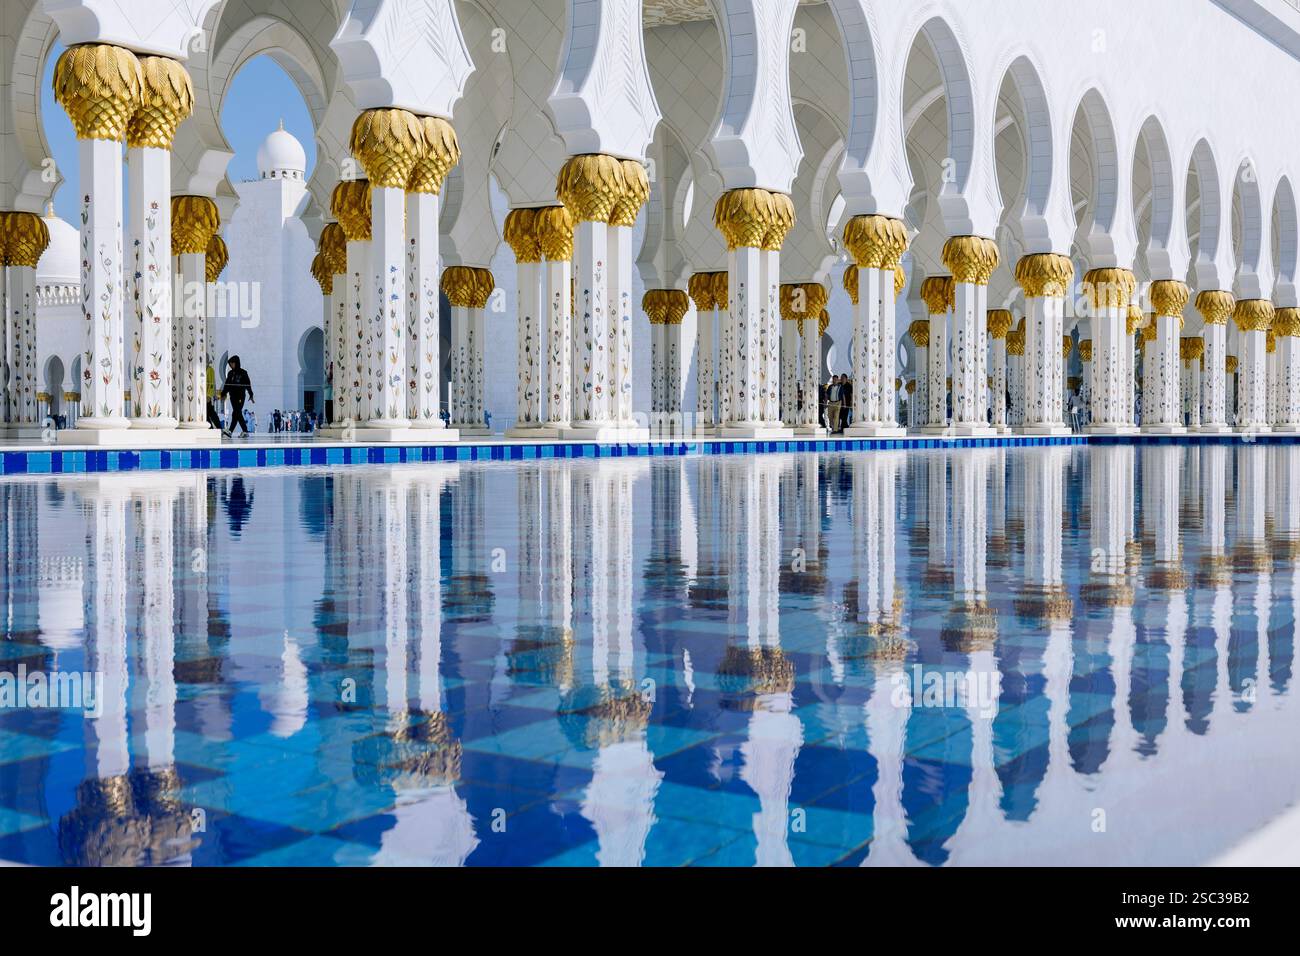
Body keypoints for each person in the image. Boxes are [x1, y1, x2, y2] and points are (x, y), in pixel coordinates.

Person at [220, 355, 254, 437]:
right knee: (236, 413)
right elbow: (227, 385)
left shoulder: (243, 373)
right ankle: (232, 431)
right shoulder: (230, 373)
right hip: (232, 397)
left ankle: (242, 431)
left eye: (232, 363)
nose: (231, 365)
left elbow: (248, 384)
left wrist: (251, 394)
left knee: (237, 412)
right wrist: (223, 393)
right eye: (230, 364)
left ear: (236, 363)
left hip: (240, 397)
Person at [206, 362, 223, 430]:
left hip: (207, 397)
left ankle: (214, 428)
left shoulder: (210, 370)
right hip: (201, 396)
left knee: (210, 413)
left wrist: (209, 395)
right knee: (208, 412)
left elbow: (211, 384)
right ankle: (213, 428)